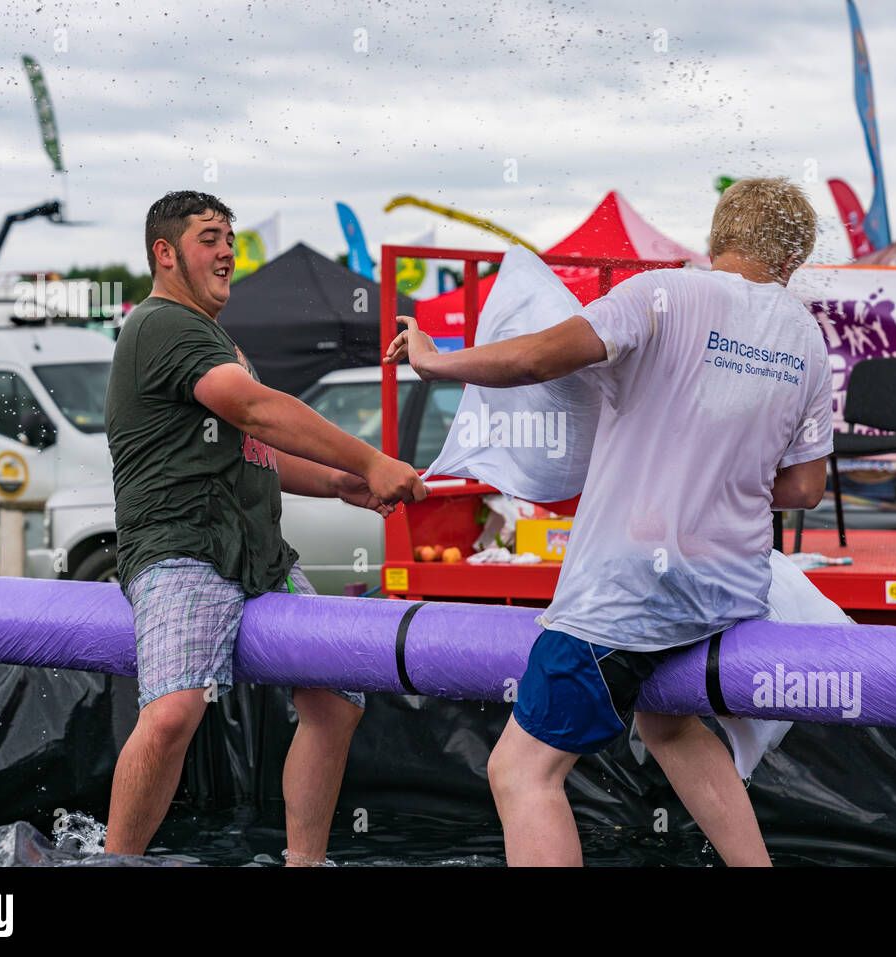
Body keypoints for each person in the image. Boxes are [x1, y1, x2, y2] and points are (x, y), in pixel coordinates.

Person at [385, 177, 832, 866]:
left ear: (720, 236)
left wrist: (433, 360)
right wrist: (718, 473)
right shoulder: (804, 336)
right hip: (730, 590)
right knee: (668, 726)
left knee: (522, 771)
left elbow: (536, 356)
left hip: (626, 594)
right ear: (792, 260)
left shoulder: (668, 293)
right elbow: (804, 487)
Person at [104, 190, 426, 864]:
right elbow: (254, 409)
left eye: (230, 237)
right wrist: (369, 456)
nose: (226, 251)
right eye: (209, 237)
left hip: (260, 561)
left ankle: (303, 862)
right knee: (170, 713)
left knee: (337, 702)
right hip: (181, 552)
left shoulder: (218, 339)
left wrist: (338, 481)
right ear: (164, 254)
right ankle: (115, 860)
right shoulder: (163, 323)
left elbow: (256, 451)